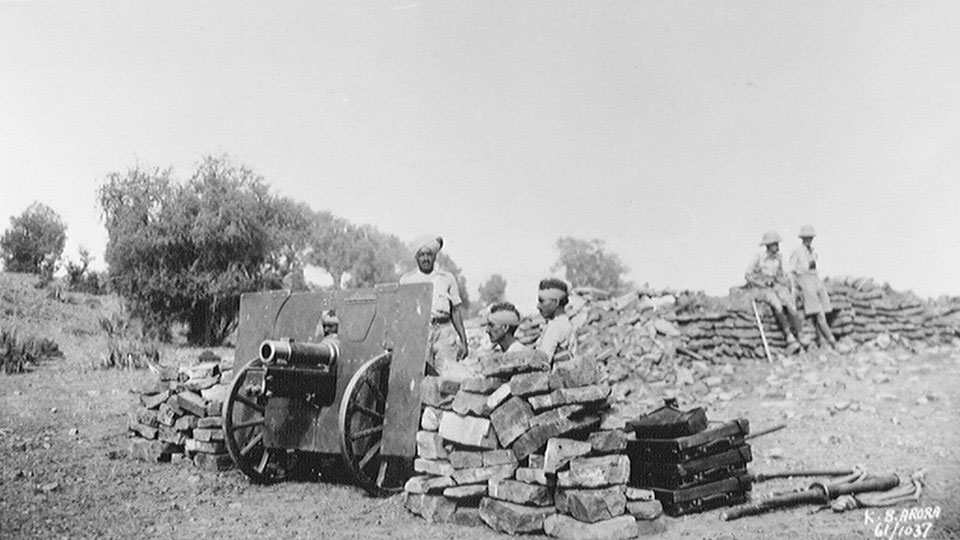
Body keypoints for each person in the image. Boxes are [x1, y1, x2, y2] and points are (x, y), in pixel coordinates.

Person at [399, 236, 469, 375]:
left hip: (444, 334)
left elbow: (455, 311)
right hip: (420, 334)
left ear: (435, 257)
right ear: (416, 258)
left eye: (429, 254)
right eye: (421, 255)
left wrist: (464, 341)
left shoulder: (447, 279)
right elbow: (402, 314)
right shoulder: (407, 280)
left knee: (448, 378)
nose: (425, 258)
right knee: (421, 378)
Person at [745, 231, 803, 354]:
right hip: (763, 287)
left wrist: (791, 288)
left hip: (777, 284)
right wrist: (761, 283)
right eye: (775, 244)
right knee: (777, 306)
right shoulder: (759, 258)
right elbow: (748, 275)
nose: (777, 246)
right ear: (769, 245)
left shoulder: (779, 258)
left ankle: (800, 335)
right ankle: (788, 336)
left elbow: (787, 274)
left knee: (791, 305)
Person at [789, 225, 839, 350]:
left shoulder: (813, 251)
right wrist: (795, 289)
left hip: (815, 280)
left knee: (825, 309)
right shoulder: (798, 251)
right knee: (819, 314)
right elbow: (791, 271)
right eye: (806, 238)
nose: (809, 240)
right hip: (804, 281)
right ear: (802, 238)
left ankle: (822, 340)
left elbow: (815, 268)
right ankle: (833, 342)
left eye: (810, 238)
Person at [535, 278, 576, 363]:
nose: (538, 306)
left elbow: (542, 363)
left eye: (542, 301)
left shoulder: (555, 327)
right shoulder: (566, 324)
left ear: (556, 302)